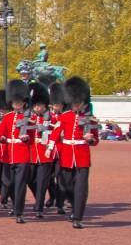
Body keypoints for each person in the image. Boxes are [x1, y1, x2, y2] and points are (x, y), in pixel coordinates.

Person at [48, 77, 97, 229]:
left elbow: (95, 140)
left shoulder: (90, 120)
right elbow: (56, 133)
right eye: (74, 102)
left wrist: (90, 139)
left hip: (82, 155)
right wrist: (50, 147)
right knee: (67, 186)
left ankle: (77, 216)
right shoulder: (65, 116)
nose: (76, 105)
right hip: (67, 155)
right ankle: (73, 204)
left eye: (78, 102)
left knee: (81, 187)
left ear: (83, 102)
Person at [0, 80, 33, 224]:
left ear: (24, 102)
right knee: (8, 183)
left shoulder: (29, 118)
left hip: (22, 154)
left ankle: (19, 212)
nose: (17, 104)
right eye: (15, 102)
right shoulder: (8, 117)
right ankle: (15, 204)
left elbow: (34, 137)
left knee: (20, 185)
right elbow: (0, 132)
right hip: (8, 155)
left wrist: (27, 138)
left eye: (19, 102)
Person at [27, 82, 57, 218]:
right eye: (35, 105)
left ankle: (38, 206)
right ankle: (50, 195)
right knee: (30, 179)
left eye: (40, 105)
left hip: (46, 153)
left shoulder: (52, 119)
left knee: (42, 181)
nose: (38, 108)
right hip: (32, 153)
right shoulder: (29, 118)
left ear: (45, 106)